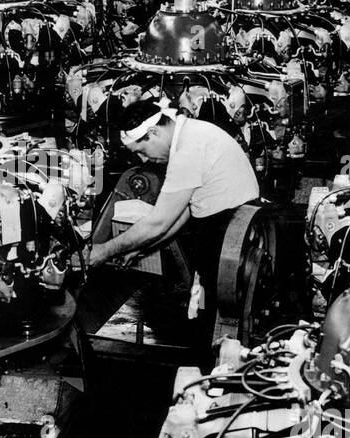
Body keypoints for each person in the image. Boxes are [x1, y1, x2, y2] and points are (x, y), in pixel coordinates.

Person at [88, 98, 259, 328]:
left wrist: (104, 250)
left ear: (154, 132)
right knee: (207, 310)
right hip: (231, 223)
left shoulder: (187, 150)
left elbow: (157, 222)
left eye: (142, 151)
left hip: (229, 232)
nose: (144, 160)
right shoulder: (192, 132)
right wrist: (140, 247)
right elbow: (184, 211)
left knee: (212, 318)